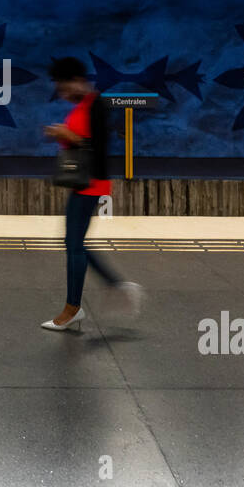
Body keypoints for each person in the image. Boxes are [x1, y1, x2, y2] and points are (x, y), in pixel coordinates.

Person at [41, 57, 142, 330]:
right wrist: (61, 134)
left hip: (92, 183)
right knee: (74, 242)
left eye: (64, 87)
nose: (63, 94)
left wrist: (68, 135)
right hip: (82, 183)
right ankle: (114, 286)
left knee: (73, 243)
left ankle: (73, 308)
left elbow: (97, 146)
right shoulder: (82, 105)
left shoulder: (96, 104)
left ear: (76, 80)